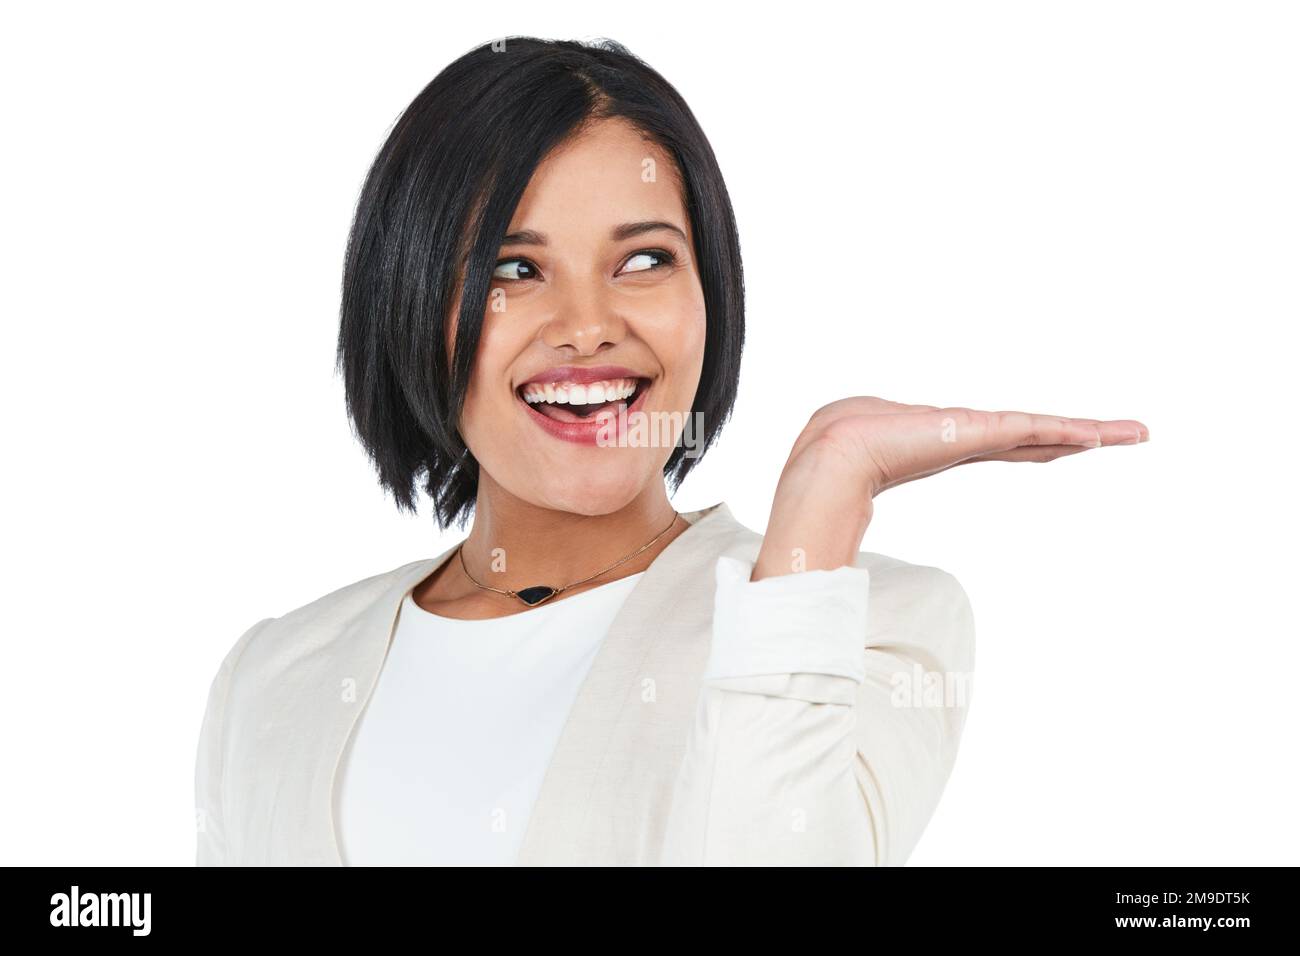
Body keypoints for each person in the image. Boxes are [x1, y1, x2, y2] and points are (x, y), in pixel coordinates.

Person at [194, 36, 1148, 866]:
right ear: (407, 301)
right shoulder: (273, 676)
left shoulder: (864, 623)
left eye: (643, 260)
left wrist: (821, 502)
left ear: (712, 293)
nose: (587, 328)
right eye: (512, 270)